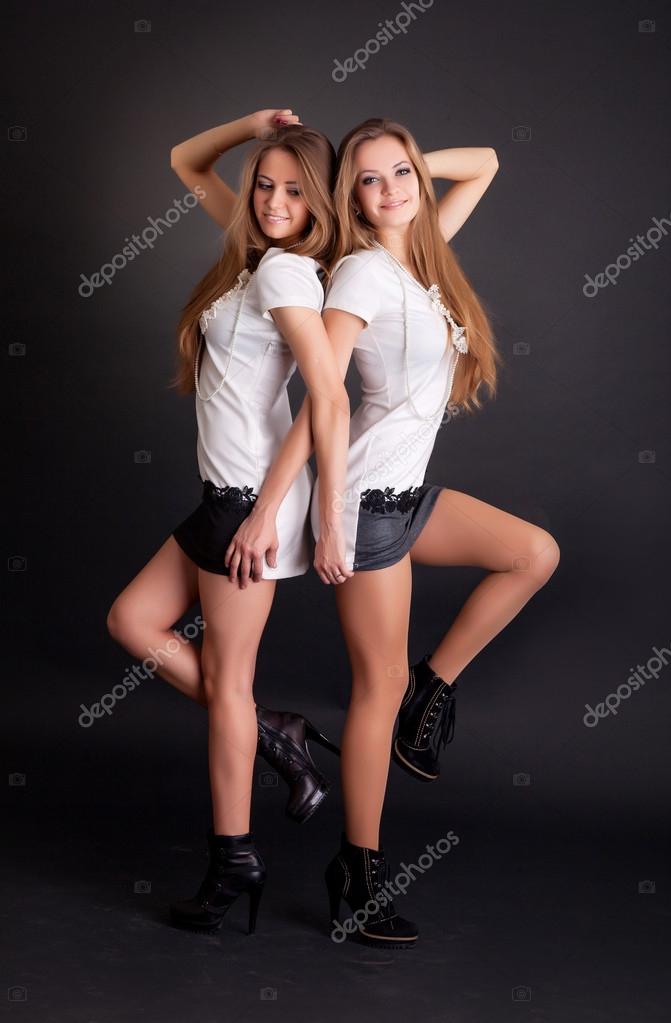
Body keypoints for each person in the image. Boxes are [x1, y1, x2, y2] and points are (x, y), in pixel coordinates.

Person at [243, 116, 561, 948]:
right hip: (365, 504)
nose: (388, 192)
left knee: (533, 553)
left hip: (408, 492)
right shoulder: (359, 275)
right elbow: (324, 394)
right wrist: (326, 516)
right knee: (374, 692)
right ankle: (358, 869)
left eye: (401, 177)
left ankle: (435, 688)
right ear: (349, 194)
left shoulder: (418, 261)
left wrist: (405, 161)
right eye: (369, 181)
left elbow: (487, 157)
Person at [106, 109, 352, 936]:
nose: (275, 201)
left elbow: (325, 398)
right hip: (224, 494)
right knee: (134, 621)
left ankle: (233, 857)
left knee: (227, 690)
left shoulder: (285, 274)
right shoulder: (257, 251)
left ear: (319, 205)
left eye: (294, 192)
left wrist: (267, 514)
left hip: (249, 502)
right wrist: (252, 125)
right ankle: (278, 736)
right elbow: (185, 160)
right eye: (266, 186)